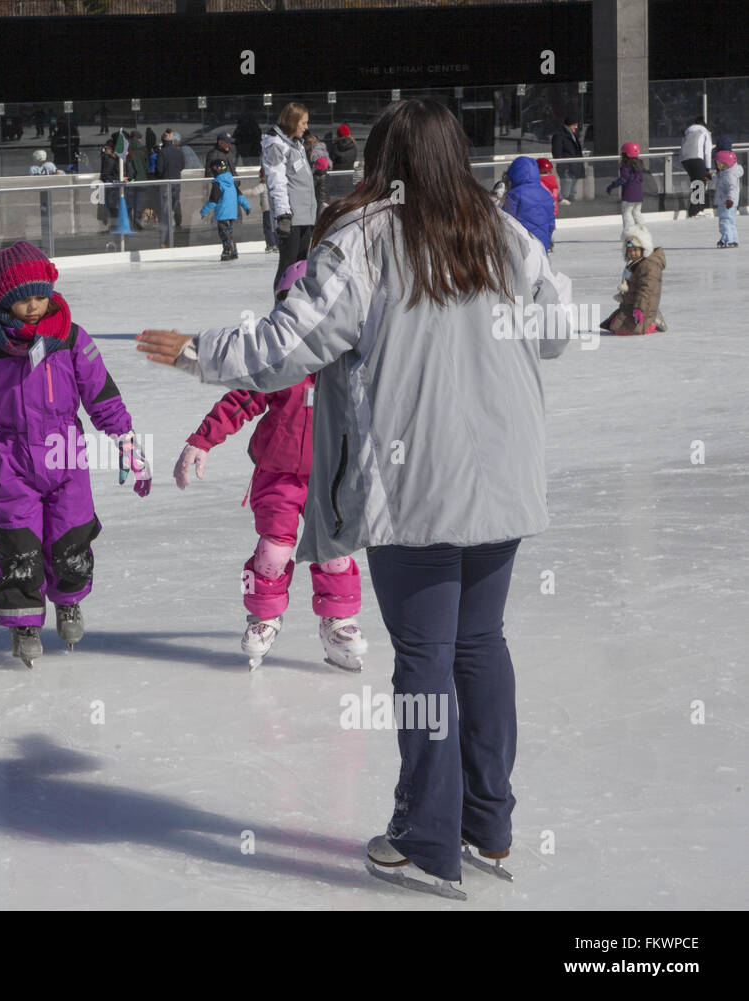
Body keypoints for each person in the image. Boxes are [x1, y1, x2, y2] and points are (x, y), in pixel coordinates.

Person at [137, 97, 573, 898]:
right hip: (505, 477)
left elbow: (287, 346)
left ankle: (427, 837)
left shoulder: (367, 241)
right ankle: (489, 822)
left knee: (427, 659)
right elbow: (554, 331)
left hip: (416, 487)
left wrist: (202, 353)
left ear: (383, 161)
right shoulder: (507, 236)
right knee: (480, 646)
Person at [0, 241, 151, 668]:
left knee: (72, 540)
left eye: (39, 295)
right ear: (2, 299)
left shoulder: (71, 337)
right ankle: (24, 621)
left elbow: (101, 395)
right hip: (14, 457)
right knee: (19, 544)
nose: (33, 306)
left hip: (66, 452)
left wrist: (125, 441)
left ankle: (68, 600)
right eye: (21, 299)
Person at [175, 260, 367, 671]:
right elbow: (239, 401)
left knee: (334, 553)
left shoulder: (346, 366)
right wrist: (201, 440)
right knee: (273, 551)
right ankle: (263, 616)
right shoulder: (278, 366)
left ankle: (338, 622)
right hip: (278, 475)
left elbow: (377, 412)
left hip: (331, 478)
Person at [262, 103, 318, 291]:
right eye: (303, 122)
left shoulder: (297, 144)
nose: (306, 127)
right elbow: (277, 182)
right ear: (293, 122)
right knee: (288, 266)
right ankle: (280, 306)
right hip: (290, 217)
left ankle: (295, 308)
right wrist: (283, 215)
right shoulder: (276, 145)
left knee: (301, 266)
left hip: (305, 215)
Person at [600, 225, 667, 333]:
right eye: (629, 250)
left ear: (643, 249)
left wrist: (639, 309)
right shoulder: (635, 264)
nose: (632, 253)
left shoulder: (649, 266)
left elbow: (645, 290)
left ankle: (653, 322)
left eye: (635, 250)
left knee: (623, 330)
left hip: (643, 307)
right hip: (631, 306)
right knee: (613, 325)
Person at [200, 160, 251, 261]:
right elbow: (240, 196)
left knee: (224, 233)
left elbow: (213, 201)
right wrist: (247, 207)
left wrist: (203, 211)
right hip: (232, 213)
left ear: (215, 170)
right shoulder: (231, 182)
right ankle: (233, 251)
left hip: (223, 214)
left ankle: (229, 250)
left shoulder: (218, 184)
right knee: (229, 232)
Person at [502, 155, 555, 253]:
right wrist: (547, 240)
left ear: (514, 173)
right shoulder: (546, 193)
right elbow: (551, 222)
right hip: (542, 244)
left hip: (521, 245)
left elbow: (506, 219)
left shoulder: (514, 194)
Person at [605, 142, 646, 232]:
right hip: (639, 195)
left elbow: (623, 179)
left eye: (622, 153)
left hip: (629, 195)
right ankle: (642, 229)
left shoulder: (625, 166)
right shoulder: (640, 164)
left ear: (626, 154)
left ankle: (629, 232)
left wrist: (611, 186)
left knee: (627, 212)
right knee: (637, 212)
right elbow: (641, 179)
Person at [679, 116, 713, 217]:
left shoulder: (687, 131)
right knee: (700, 183)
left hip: (684, 159)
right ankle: (694, 211)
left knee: (696, 182)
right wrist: (708, 168)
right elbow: (707, 151)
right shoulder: (705, 131)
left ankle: (699, 209)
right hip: (696, 158)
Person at [155, 129, 186, 236]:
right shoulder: (179, 151)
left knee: (165, 204)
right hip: (176, 180)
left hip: (165, 180)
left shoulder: (162, 152)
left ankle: (167, 224)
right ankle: (178, 223)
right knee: (176, 201)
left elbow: (159, 169)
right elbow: (182, 166)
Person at [550, 115, 585, 203]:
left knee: (572, 192)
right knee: (566, 191)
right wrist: (563, 166)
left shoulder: (573, 135)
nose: (576, 127)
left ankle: (572, 209)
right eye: (575, 125)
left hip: (575, 167)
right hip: (567, 167)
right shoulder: (559, 135)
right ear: (569, 125)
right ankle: (564, 209)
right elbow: (557, 153)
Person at [713, 150, 742, 248]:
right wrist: (710, 177)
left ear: (725, 163)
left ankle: (728, 239)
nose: (716, 165)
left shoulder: (729, 175)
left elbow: (732, 189)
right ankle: (733, 239)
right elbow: (719, 179)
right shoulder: (725, 172)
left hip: (727, 203)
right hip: (726, 202)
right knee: (730, 221)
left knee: (725, 221)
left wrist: (730, 200)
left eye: (718, 163)